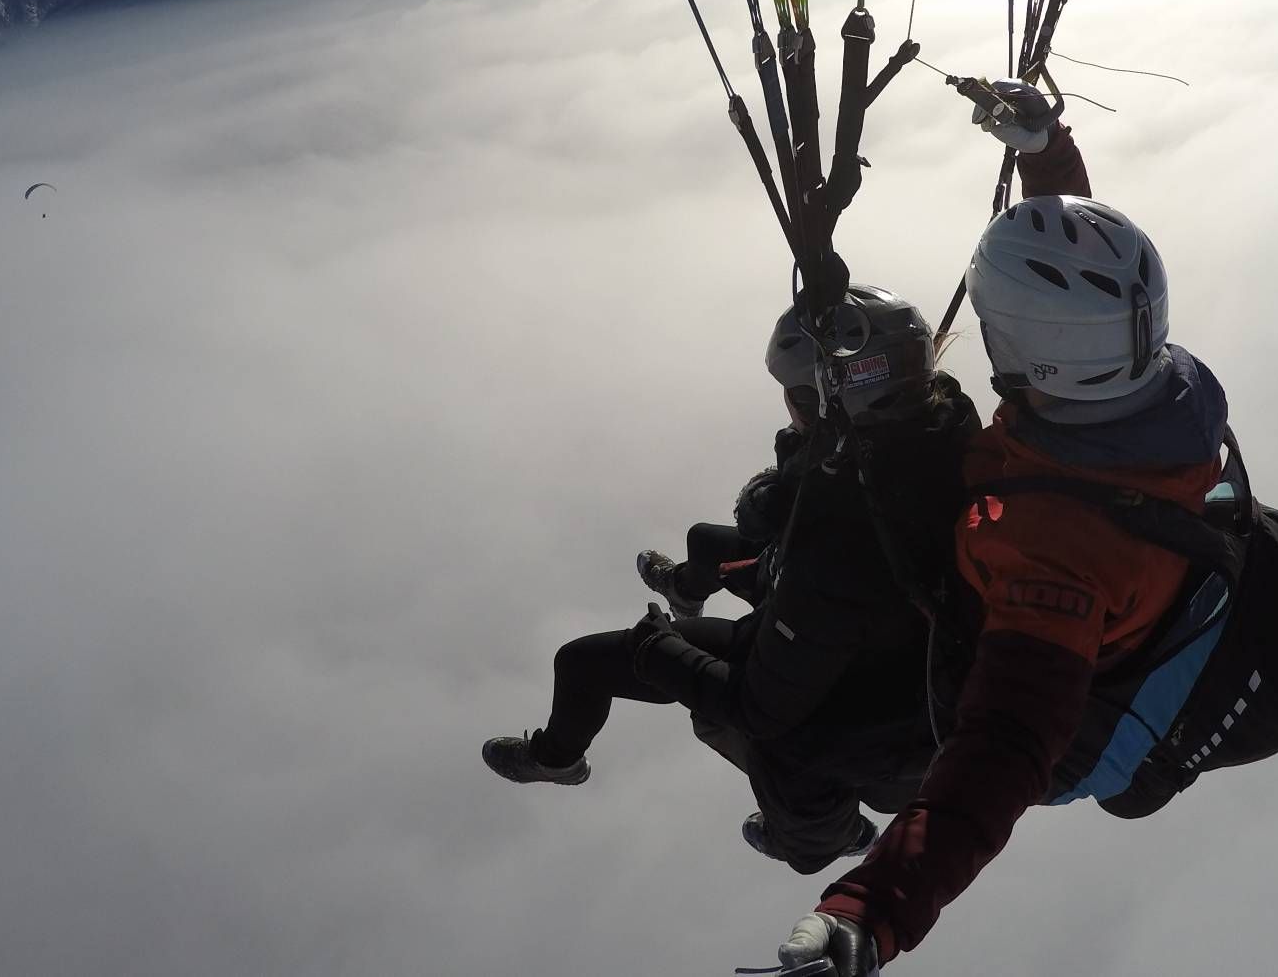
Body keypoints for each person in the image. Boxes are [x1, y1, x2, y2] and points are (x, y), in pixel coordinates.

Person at [772, 80, 1230, 975]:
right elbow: (1079, 285)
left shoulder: (1054, 554)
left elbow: (1005, 751)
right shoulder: (1157, 393)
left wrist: (874, 907)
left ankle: (812, 829)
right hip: (1095, 588)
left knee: (802, 737)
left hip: (1032, 684)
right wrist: (1046, 154)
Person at [482, 286, 979, 874]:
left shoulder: (840, 552)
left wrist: (655, 652)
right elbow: (853, 483)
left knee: (785, 762)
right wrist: (793, 475)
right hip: (858, 657)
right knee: (584, 661)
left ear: (830, 399)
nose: (789, 409)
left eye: (795, 397)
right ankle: (558, 757)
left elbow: (761, 709)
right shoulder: (936, 430)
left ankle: (826, 836)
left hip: (875, 725)